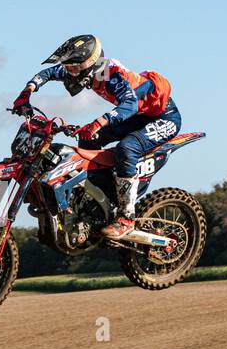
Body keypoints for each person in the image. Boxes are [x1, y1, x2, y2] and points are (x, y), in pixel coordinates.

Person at [12, 34, 181, 240]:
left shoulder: (110, 74)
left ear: (88, 65)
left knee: (127, 149)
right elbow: (49, 72)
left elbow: (130, 104)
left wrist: (100, 121)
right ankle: (94, 201)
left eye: (73, 68)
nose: (68, 72)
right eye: (68, 67)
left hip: (162, 117)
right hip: (136, 117)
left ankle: (126, 218)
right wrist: (28, 90)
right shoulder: (82, 71)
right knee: (87, 140)